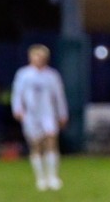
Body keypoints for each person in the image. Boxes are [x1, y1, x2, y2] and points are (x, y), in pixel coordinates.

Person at [11, 44, 69, 190]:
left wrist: (62, 113)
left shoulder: (52, 75)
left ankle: (53, 176)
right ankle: (40, 178)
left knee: (51, 141)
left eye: (41, 56)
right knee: (36, 145)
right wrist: (17, 109)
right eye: (36, 56)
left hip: (48, 114)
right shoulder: (23, 74)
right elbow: (17, 93)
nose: (39, 59)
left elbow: (59, 96)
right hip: (31, 115)